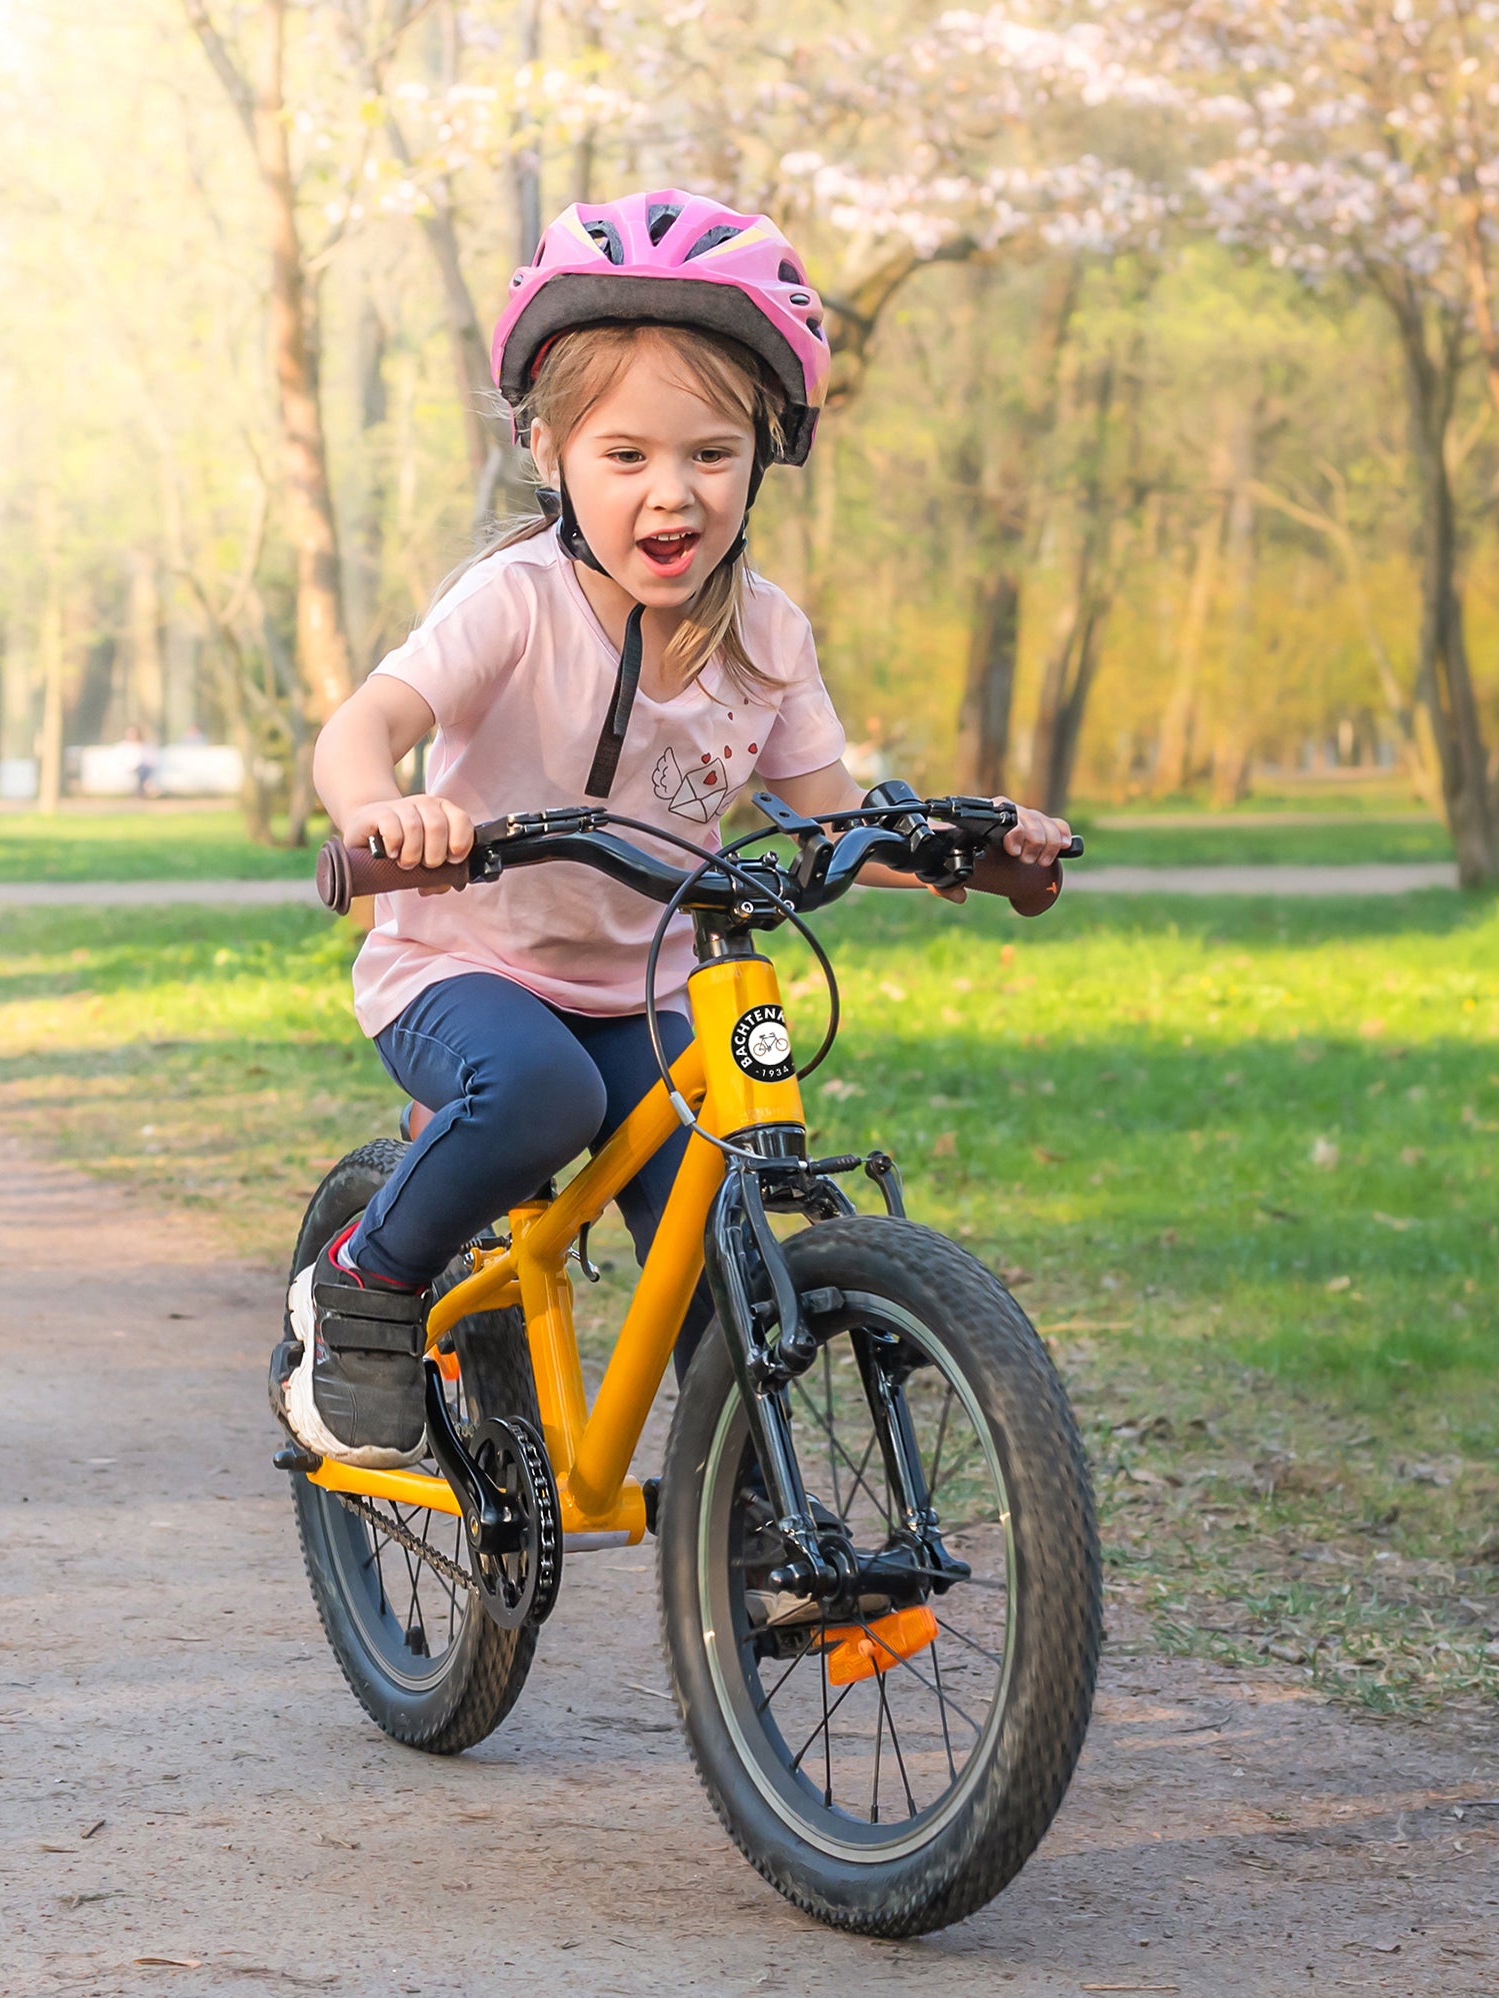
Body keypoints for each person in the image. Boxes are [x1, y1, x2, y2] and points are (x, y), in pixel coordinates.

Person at [277, 190, 1071, 1470]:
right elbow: (360, 728)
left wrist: (969, 852)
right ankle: (365, 1280)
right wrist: (384, 808)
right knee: (543, 1093)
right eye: (627, 456)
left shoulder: (769, 637)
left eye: (710, 454)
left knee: (725, 1216)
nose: (674, 493)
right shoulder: (515, 603)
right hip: (462, 968)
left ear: (765, 457)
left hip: (646, 988)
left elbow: (829, 817)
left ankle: (744, 1520)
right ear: (550, 451)